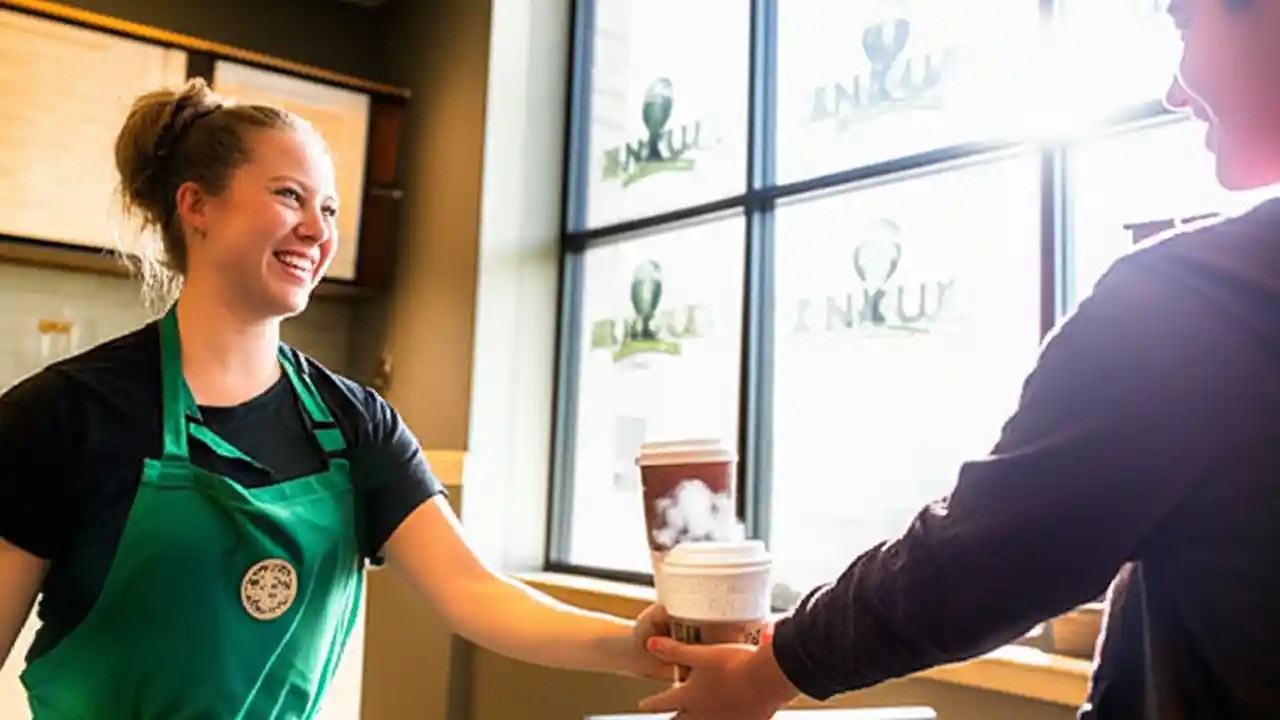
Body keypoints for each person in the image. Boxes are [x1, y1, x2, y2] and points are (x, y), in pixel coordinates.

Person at [638, 0, 1280, 718]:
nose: (1173, 90)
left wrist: (766, 672)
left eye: (1184, 23)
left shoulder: (1194, 301)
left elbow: (989, 556)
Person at [0, 78, 670, 718]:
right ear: (196, 205)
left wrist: (634, 647)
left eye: (329, 210)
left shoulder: (354, 425)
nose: (318, 232)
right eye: (290, 196)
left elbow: (474, 594)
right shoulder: (62, 417)